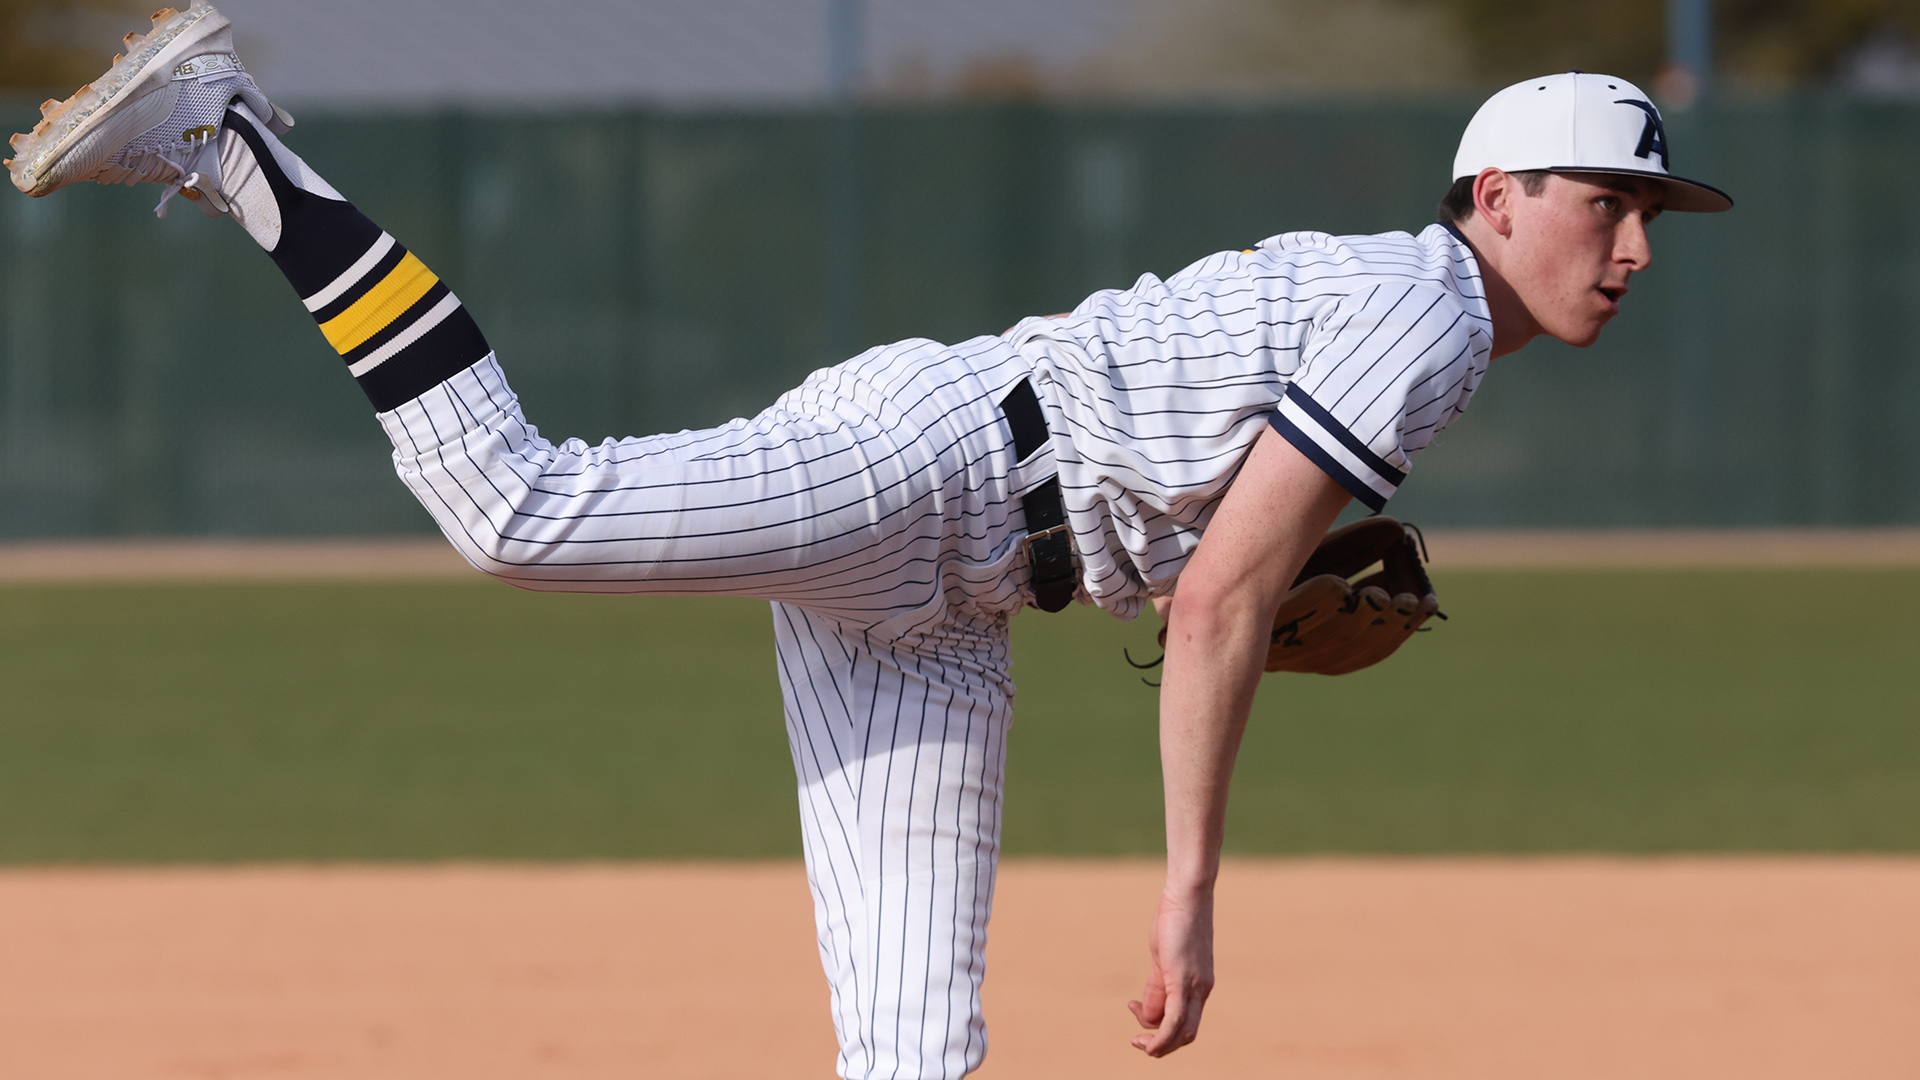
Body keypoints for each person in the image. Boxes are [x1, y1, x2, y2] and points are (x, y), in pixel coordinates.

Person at [8, 8, 1729, 1076]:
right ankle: (237, 144)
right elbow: (1217, 597)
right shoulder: (1429, 307)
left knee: (912, 1050)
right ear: (1494, 195)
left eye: (1650, 212)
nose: (1635, 244)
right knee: (515, 504)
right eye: (1606, 202)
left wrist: (1245, 567)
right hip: (935, 470)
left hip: (962, 584)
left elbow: (1211, 551)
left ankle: (234, 144)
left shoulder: (1417, 318)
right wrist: (1190, 893)